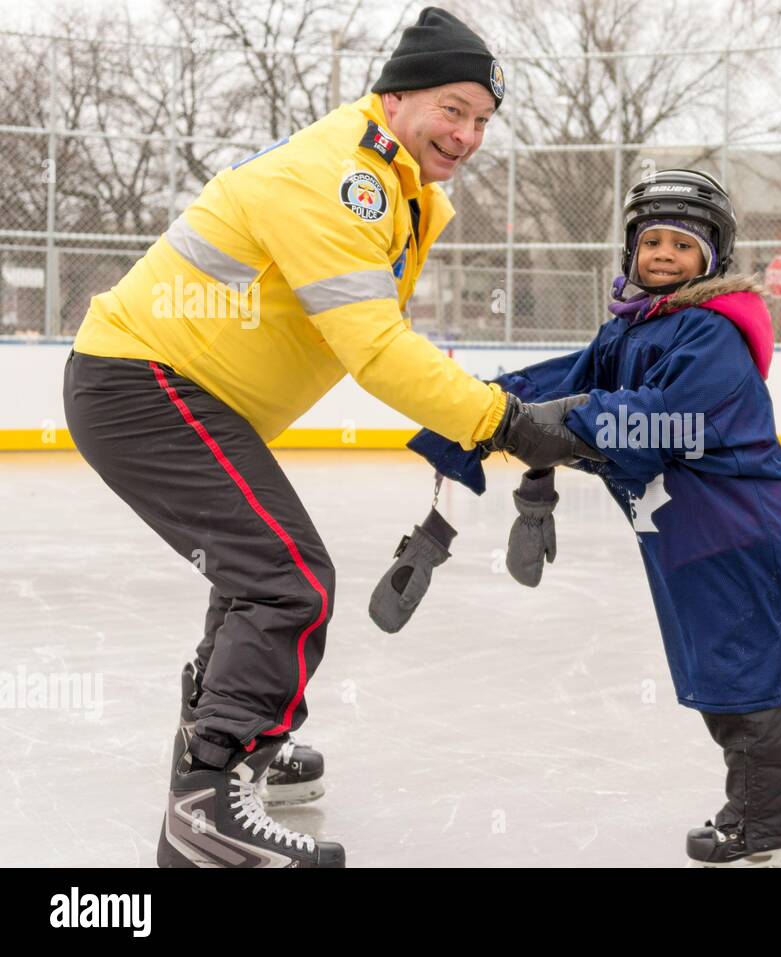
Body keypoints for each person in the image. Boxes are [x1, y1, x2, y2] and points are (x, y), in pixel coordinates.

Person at [63, 6, 595, 868]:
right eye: (452, 109)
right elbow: (375, 347)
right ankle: (208, 800)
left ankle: (234, 748)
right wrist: (506, 424)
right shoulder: (340, 176)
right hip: (144, 383)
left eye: (483, 121)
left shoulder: (395, 183)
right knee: (288, 579)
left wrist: (485, 407)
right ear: (399, 95)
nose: (467, 135)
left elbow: (374, 338)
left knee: (253, 573)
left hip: (174, 390)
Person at [395, 169, 781, 867]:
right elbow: (562, 382)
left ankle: (770, 824)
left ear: (714, 256)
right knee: (767, 669)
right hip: (706, 532)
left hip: (739, 530)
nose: (664, 255)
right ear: (630, 252)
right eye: (652, 242)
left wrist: (567, 423)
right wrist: (473, 419)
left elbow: (664, 420)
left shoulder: (710, 333)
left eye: (682, 244)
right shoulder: (633, 330)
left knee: (739, 678)